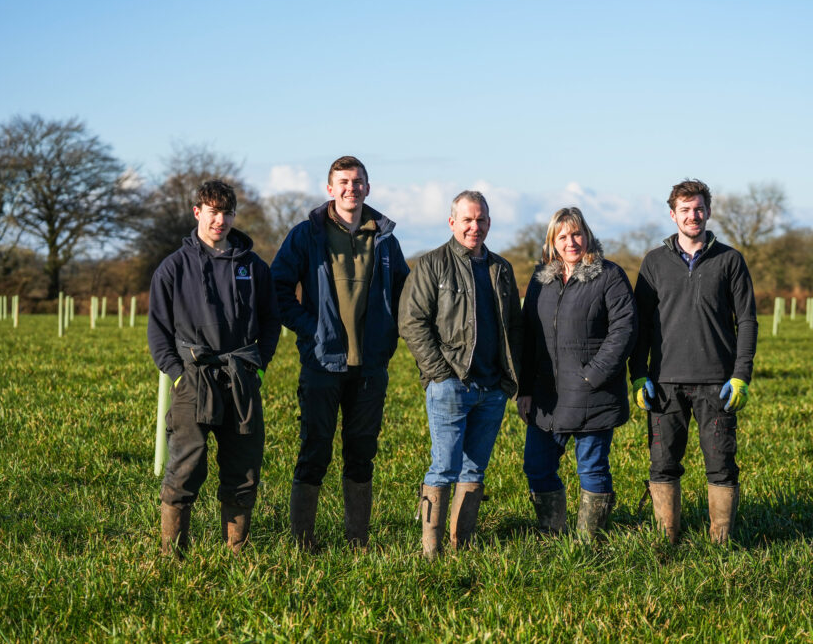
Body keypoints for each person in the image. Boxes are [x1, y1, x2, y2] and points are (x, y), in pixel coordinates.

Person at [270, 156, 409, 550]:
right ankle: (302, 542)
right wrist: (308, 327)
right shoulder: (306, 235)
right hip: (321, 362)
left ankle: (357, 540)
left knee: (362, 453)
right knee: (314, 450)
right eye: (343, 182)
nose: (352, 188)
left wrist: (390, 336)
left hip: (370, 367)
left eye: (358, 181)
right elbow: (278, 288)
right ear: (330, 189)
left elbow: (405, 296)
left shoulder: (385, 240)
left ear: (368, 187)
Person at [148, 179, 281, 556]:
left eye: (226, 213)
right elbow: (158, 332)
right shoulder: (173, 268)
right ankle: (173, 555)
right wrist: (177, 374)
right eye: (212, 212)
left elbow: (272, 320)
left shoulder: (254, 267)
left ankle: (235, 553)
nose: (219, 220)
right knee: (186, 467)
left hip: (240, 377)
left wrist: (260, 365)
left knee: (243, 468)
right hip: (194, 379)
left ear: (235, 215)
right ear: (197, 212)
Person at [630, 179, 757, 545]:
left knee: (721, 464)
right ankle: (666, 538)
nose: (692, 215)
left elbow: (746, 321)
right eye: (684, 210)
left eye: (698, 208)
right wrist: (638, 375)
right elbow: (639, 325)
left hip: (717, 383)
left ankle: (721, 542)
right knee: (663, 464)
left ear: (709, 212)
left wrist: (741, 375)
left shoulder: (730, 260)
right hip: (665, 383)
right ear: (673, 215)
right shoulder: (654, 263)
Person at [399, 190, 522, 559]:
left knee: (474, 471)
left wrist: (506, 381)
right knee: (444, 468)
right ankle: (430, 550)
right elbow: (411, 321)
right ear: (452, 222)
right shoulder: (432, 264)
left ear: (489, 222)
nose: (475, 226)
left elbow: (512, 326)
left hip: (491, 388)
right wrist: (439, 374)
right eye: (467, 219)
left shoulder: (501, 268)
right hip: (450, 385)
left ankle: (461, 544)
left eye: (481, 219)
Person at [516, 207, 636, 538]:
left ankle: (588, 542)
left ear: (588, 236)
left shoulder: (609, 276)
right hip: (546, 396)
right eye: (563, 236)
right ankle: (552, 533)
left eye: (577, 234)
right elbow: (529, 336)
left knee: (593, 469)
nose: (571, 242)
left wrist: (592, 376)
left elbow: (624, 329)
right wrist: (525, 389)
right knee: (537, 467)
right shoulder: (542, 280)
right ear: (552, 242)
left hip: (593, 393)